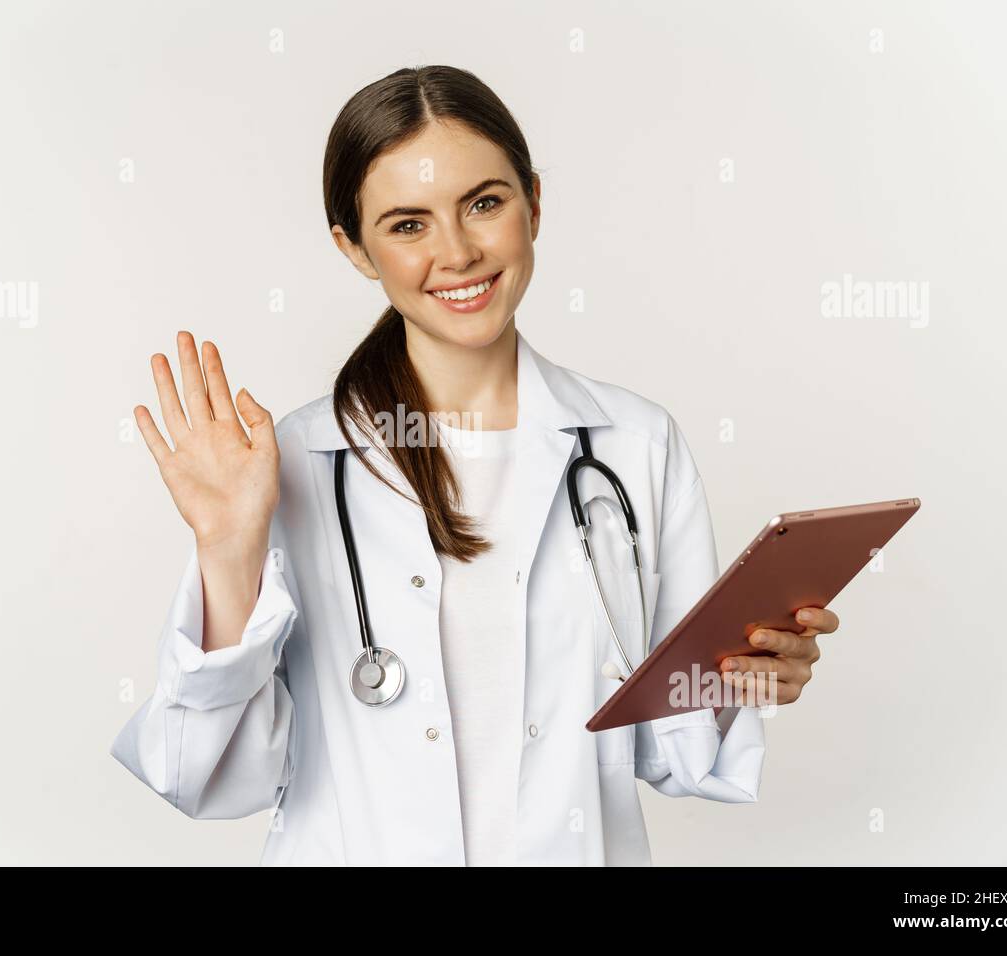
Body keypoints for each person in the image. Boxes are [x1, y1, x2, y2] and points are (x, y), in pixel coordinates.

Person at [111, 65, 839, 866]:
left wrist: (743, 682)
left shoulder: (634, 446)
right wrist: (227, 549)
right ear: (354, 248)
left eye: (484, 204)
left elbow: (675, 751)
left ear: (533, 202)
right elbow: (201, 776)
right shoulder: (288, 467)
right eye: (407, 224)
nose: (457, 253)